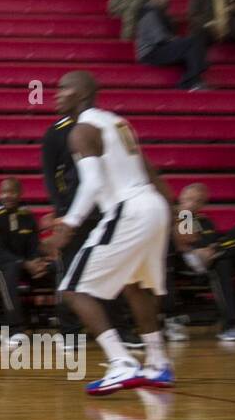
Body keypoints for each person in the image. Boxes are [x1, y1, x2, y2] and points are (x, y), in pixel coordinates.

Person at [42, 71, 176, 396]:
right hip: (153, 205)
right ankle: (157, 362)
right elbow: (150, 170)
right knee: (136, 286)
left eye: (64, 88)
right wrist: (174, 217)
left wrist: (69, 225)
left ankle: (121, 362)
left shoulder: (81, 131)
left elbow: (94, 184)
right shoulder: (118, 123)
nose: (57, 94)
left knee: (73, 290)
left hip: (128, 208)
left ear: (83, 94)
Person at [171, 182, 235, 342]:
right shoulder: (182, 215)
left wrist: (213, 249)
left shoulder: (205, 221)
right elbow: (188, 241)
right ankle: (229, 326)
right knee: (225, 257)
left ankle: (229, 326)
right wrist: (185, 215)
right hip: (190, 264)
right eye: (189, 199)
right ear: (181, 197)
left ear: (203, 204)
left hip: (211, 260)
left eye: (198, 201)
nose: (192, 203)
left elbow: (211, 240)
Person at [0, 178, 51, 341]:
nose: (7, 196)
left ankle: (67, 326)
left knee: (55, 267)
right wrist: (24, 263)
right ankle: (15, 329)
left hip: (24, 263)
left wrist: (36, 262)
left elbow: (33, 245)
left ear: (20, 194)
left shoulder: (27, 216)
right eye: (3, 192)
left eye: (11, 192)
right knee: (10, 270)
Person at [135, 0, 209, 90]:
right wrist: (179, 41)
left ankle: (194, 81)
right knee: (193, 43)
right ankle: (189, 82)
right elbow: (161, 39)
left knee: (192, 46)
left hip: (157, 49)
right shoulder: (149, 13)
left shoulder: (160, 12)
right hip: (150, 53)